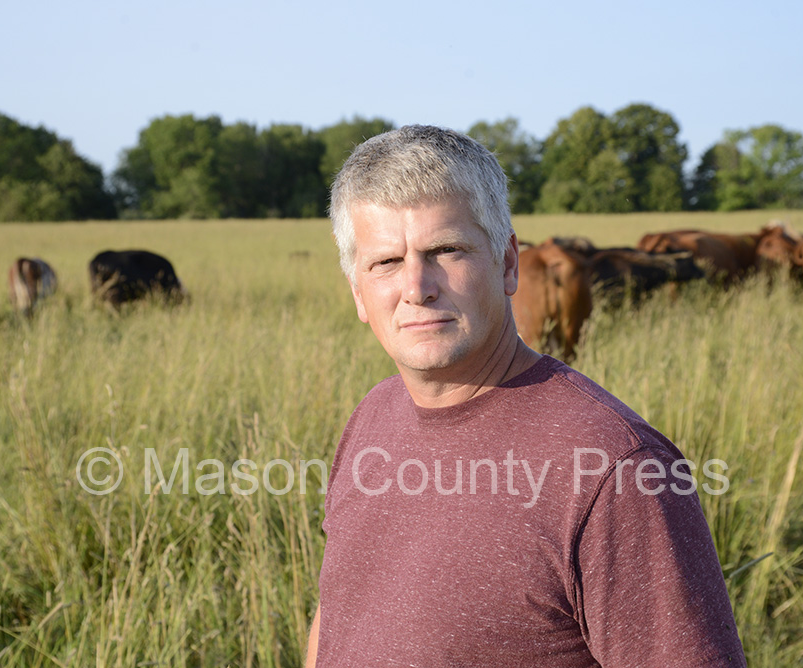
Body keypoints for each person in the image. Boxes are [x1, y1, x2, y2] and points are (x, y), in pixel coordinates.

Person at [306, 125, 746, 667]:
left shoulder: (617, 469)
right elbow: (339, 615)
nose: (417, 287)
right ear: (358, 291)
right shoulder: (373, 416)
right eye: (386, 263)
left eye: (447, 250)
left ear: (509, 263)